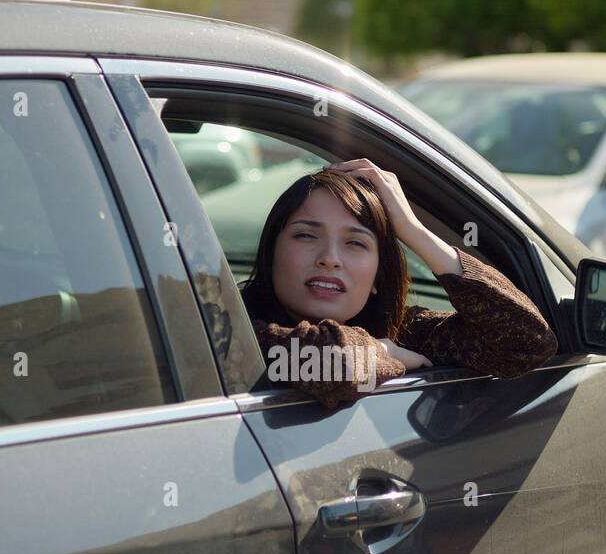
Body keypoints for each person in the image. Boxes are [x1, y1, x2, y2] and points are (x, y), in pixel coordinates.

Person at [238, 158, 560, 409]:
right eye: (307, 235)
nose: (330, 258)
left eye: (356, 243)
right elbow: (333, 361)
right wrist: (382, 351)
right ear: (271, 253)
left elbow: (527, 342)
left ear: (378, 275)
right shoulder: (231, 328)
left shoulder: (401, 331)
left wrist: (411, 229)